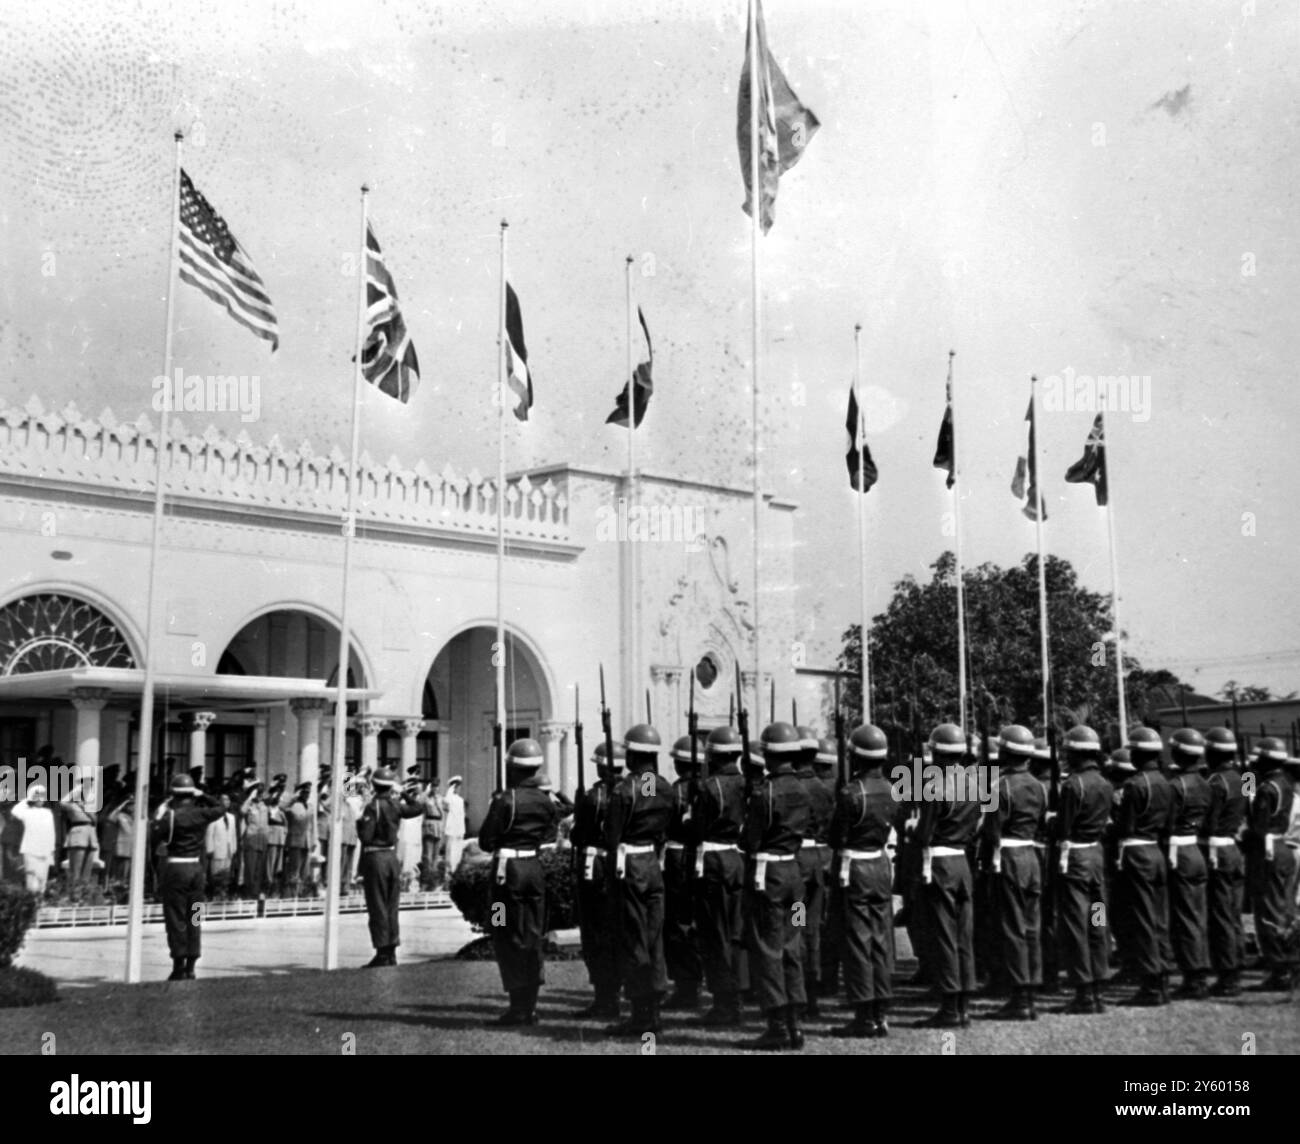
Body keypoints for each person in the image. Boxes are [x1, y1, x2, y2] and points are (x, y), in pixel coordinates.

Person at [478, 739, 559, 1025]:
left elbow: (485, 841)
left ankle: (518, 1007)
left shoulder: (505, 799)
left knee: (504, 932)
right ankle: (530, 1005)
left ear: (511, 766)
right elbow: (549, 835)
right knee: (531, 933)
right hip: (533, 869)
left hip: (506, 873)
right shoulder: (544, 801)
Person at [741, 722, 810, 1051]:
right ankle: (795, 1021)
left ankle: (778, 1026)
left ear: (769, 756)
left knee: (769, 948)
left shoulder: (764, 792)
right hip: (794, 874)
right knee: (792, 944)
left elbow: (750, 840)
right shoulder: (803, 788)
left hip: (768, 876)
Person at [603, 723, 674, 1037]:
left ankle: (641, 1014)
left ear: (632, 755)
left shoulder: (623, 789)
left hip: (629, 863)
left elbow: (611, 836)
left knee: (634, 938)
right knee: (653, 937)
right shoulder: (664, 787)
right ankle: (653, 1010)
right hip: (651, 863)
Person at [829, 724, 895, 1039]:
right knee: (881, 941)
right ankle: (881, 1011)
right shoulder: (895, 788)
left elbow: (836, 837)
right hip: (881, 866)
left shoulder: (851, 792)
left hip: (855, 867)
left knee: (858, 941)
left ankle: (864, 1014)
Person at [915, 722, 981, 1028]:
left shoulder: (934, 786)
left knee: (943, 934)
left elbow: (924, 834)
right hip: (962, 861)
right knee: (963, 935)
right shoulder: (973, 783)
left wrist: (913, 830)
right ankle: (964, 1001)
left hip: (940, 862)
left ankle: (950, 1006)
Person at [984, 724, 1046, 1021]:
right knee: (1031, 927)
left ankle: (1019, 995)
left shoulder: (1000, 786)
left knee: (1013, 927)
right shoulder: (1038, 785)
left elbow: (991, 831)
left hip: (1008, 857)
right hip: (1031, 856)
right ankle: (1030, 989)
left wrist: (987, 862)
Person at [689, 726, 747, 1027]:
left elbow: (696, 828)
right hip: (736, 859)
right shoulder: (747, 783)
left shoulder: (709, 787)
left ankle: (725, 1002)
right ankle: (734, 994)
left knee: (715, 934)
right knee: (734, 934)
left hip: (713, 860)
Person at [1054, 725, 1113, 1015]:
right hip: (1096, 857)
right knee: (1097, 919)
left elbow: (1063, 828)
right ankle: (1099, 981)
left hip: (1075, 857)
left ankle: (1084, 990)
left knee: (1077, 923)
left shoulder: (1072, 785)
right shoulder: (1104, 782)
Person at [1116, 726, 1174, 1006]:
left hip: (1137, 851)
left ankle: (1151, 983)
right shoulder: (1166, 782)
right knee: (1159, 918)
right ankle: (1162, 976)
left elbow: (1124, 826)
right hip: (1156, 851)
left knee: (1142, 918)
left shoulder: (1135, 784)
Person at [572, 741, 626, 1020]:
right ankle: (613, 994)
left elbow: (578, 835)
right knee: (615, 930)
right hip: (622, 865)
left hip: (596, 865)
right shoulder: (633, 790)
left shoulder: (594, 797)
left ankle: (605, 997)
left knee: (595, 932)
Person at [156, 773, 227, 980]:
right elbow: (221, 808)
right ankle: (192, 965)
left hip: (176, 870)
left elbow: (156, 834)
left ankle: (179, 965)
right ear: (191, 794)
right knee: (195, 916)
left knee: (176, 917)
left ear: (174, 795)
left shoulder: (170, 816)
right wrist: (202, 794)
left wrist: (162, 810)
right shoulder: (201, 814)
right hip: (197, 870)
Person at [356, 766, 425, 967]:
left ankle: (382, 952)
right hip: (391, 857)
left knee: (377, 906)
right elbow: (418, 808)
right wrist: (404, 792)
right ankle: (391, 950)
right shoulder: (395, 805)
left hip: (376, 857)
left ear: (374, 785)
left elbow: (366, 836)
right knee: (391, 906)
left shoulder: (372, 806)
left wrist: (360, 824)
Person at [1246, 737, 1297, 992]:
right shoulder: (1286, 784)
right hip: (1282, 847)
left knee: (1269, 910)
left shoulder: (1266, 788)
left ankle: (1280, 968)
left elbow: (1258, 826)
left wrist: (1245, 835)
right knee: (1283, 907)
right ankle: (1286, 960)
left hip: (1268, 850)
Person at [1201, 728, 1247, 996]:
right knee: (1233, 914)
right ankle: (1236, 963)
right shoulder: (1242, 779)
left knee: (1221, 915)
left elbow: (1209, 822)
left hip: (1217, 849)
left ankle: (1228, 973)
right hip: (1232, 847)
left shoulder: (1216, 781)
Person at [1167, 728, 1212, 998]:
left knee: (1184, 917)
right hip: (1195, 849)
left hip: (1179, 851)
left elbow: (1168, 823)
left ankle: (1193, 977)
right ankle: (1200, 970)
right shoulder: (1206, 783)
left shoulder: (1176, 786)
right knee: (1197, 913)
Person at [793, 724, 834, 1018]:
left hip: (794, 863)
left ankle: (799, 993)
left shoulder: (789, 787)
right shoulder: (822, 788)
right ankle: (812, 992)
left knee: (795, 926)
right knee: (812, 929)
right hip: (816, 861)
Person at [663, 735, 704, 1010]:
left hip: (679, 857)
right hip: (704, 858)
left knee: (678, 922)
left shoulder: (673, 790)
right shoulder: (708, 788)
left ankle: (686, 985)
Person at [11, 784, 56, 895]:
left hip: (45, 850)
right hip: (31, 849)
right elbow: (15, 810)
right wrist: (28, 798)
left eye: (42, 796)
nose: (40, 799)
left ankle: (40, 905)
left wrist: (52, 850)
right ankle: (32, 906)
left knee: (42, 881)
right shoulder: (26, 811)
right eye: (37, 796)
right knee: (32, 882)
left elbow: (51, 832)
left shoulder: (48, 813)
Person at [60, 778, 99, 894]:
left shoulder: (89, 805)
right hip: (77, 834)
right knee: (75, 870)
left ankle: (84, 894)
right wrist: (77, 790)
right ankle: (74, 894)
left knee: (87, 870)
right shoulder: (72, 805)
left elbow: (95, 820)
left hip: (90, 835)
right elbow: (62, 802)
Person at [204, 794, 238, 901]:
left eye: (228, 799)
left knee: (227, 873)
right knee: (216, 873)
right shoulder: (214, 816)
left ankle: (224, 893)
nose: (226, 802)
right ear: (219, 802)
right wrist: (210, 849)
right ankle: (215, 894)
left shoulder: (232, 817)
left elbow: (233, 834)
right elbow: (209, 833)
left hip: (229, 850)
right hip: (217, 849)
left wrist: (234, 847)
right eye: (224, 799)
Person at [283, 782, 314, 897]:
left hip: (306, 841)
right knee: (294, 869)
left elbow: (312, 824)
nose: (307, 794)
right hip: (295, 840)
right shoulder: (293, 806)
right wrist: (293, 798)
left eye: (308, 792)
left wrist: (313, 840)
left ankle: (301, 893)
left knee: (304, 869)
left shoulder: (310, 806)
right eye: (304, 792)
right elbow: (283, 808)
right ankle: (291, 894)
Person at [240, 781, 270, 899]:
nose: (260, 795)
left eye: (261, 792)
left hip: (262, 839)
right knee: (250, 869)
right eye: (258, 792)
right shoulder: (249, 805)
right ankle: (248, 894)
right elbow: (242, 811)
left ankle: (256, 893)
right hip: (251, 839)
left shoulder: (264, 805)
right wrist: (250, 797)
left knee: (259, 869)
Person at [420, 778, 444, 889]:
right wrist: (426, 792)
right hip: (429, 824)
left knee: (435, 856)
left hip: (438, 825)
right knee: (427, 856)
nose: (435, 788)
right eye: (434, 786)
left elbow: (443, 812)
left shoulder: (440, 798)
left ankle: (433, 882)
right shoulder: (426, 798)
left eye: (437, 786)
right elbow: (419, 802)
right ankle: (425, 881)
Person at [442, 776, 466, 876]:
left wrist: (462, 830)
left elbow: (462, 815)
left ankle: (456, 872)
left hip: (459, 829)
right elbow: (446, 802)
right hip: (451, 829)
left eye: (459, 786)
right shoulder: (449, 798)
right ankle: (448, 874)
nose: (459, 788)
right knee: (450, 852)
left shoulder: (460, 800)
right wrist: (450, 790)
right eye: (457, 786)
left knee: (457, 853)